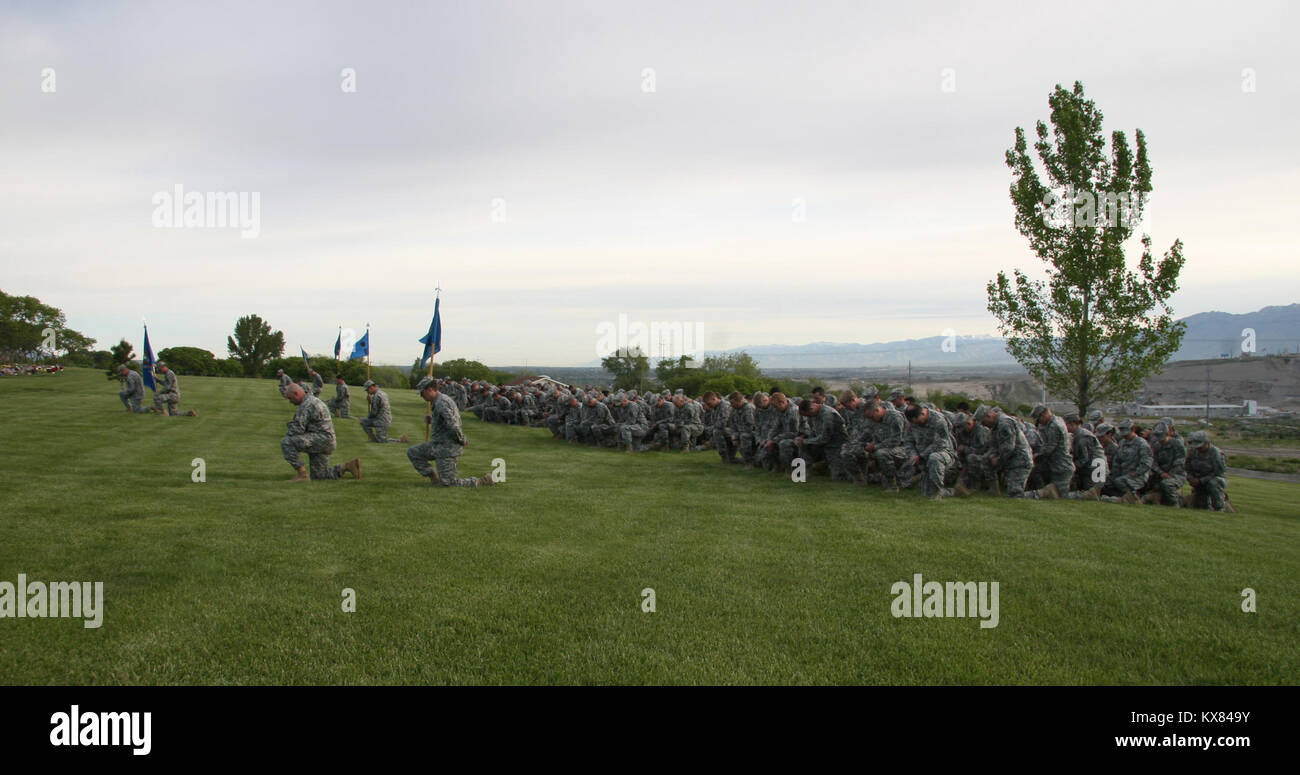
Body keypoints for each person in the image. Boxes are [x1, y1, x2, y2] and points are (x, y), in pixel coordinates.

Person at [406, 376, 495, 487]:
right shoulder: (438, 401)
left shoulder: (441, 402)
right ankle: (434, 477)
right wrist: (432, 420)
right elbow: (444, 421)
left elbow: (453, 425)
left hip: (448, 447)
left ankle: (481, 481)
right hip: (438, 444)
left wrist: (462, 439)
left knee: (449, 483)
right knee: (413, 452)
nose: (421, 396)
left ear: (430, 389)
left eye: (422, 393)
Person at [280, 383, 360, 482]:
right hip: (326, 440)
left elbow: (297, 429)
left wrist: (289, 431)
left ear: (296, 393)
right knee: (319, 475)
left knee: (287, 442)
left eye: (290, 398)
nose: (290, 402)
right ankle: (347, 466)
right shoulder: (313, 400)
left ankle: (302, 475)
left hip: (320, 440)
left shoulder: (307, 405)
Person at [1184, 430, 1236, 512]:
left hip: (1215, 479)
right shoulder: (1193, 452)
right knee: (1200, 506)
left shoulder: (1216, 453)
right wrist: (1191, 478)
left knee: (1213, 483)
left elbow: (1218, 472)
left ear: (1206, 443)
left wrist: (1201, 480)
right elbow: (1188, 467)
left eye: (1200, 447)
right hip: (1198, 480)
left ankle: (1220, 507)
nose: (1198, 449)